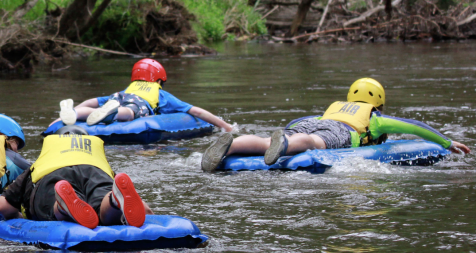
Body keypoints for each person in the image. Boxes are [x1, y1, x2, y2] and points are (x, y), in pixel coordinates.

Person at [200, 78, 471, 172]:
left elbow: (297, 122)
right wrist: (447, 142)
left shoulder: (337, 106)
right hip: (339, 132)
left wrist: (286, 130)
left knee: (277, 138)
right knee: (312, 143)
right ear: (378, 102)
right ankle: (285, 145)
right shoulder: (374, 118)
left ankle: (232, 145)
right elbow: (414, 126)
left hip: (311, 121)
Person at [0, 126, 152, 230]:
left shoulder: (40, 163)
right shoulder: (96, 159)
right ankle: (113, 200)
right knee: (102, 207)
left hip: (54, 176)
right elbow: (145, 209)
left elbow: (3, 206)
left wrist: (18, 216)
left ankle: (62, 207)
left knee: (52, 207)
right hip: (94, 171)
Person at [58, 58, 234, 131]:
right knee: (129, 113)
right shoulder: (161, 95)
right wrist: (225, 126)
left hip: (117, 98)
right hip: (138, 104)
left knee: (101, 106)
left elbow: (93, 101)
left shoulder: (128, 88)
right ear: (158, 81)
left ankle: (73, 113)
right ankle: (112, 114)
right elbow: (197, 112)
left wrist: (66, 116)